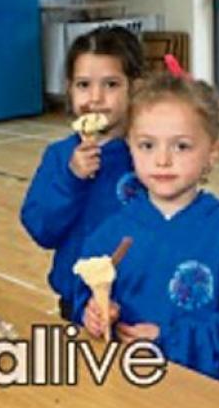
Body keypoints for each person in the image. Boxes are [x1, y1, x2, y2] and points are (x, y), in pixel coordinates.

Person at [71, 71, 219, 379]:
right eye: (147, 146)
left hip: (197, 391)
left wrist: (168, 340)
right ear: (130, 147)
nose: (162, 160)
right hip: (120, 379)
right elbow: (80, 296)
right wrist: (93, 313)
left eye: (181, 146)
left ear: (213, 152)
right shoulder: (110, 232)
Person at [20, 26, 144, 320]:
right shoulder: (59, 157)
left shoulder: (147, 157)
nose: (95, 98)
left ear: (135, 89)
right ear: (69, 89)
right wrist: (71, 180)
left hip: (138, 301)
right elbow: (41, 229)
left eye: (111, 84)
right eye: (83, 85)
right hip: (75, 302)